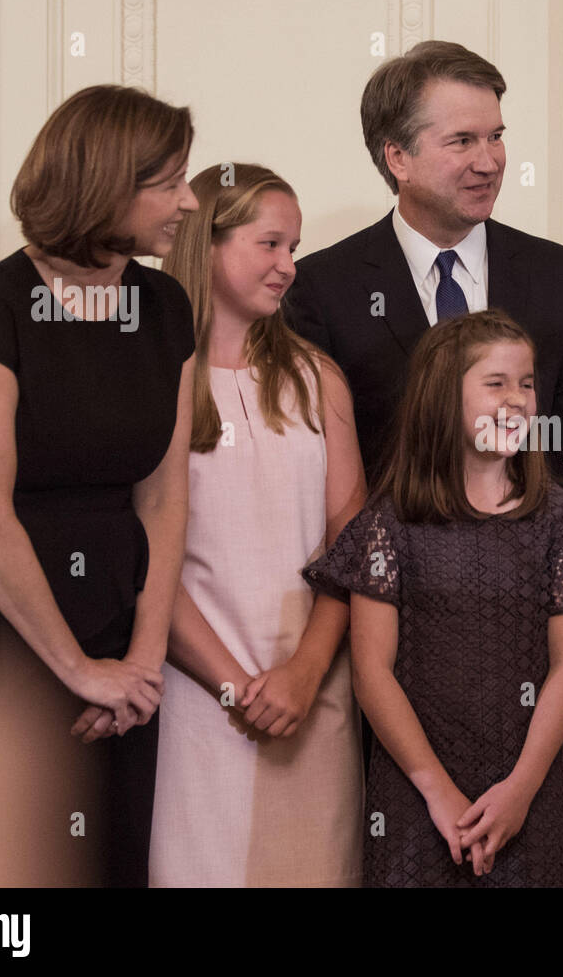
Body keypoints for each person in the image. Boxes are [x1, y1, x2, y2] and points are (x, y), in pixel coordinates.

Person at [285, 40, 563, 829]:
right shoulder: (322, 289)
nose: (489, 159)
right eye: (462, 140)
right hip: (389, 649)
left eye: (497, 136)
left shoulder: (555, 274)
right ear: (396, 155)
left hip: (535, 636)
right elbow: (317, 474)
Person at [0, 84, 197, 886]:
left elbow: (163, 496)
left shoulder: (165, 305)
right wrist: (79, 669)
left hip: (114, 621)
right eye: (169, 182)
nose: (190, 202)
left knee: (106, 857)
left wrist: (141, 662)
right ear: (104, 183)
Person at [303, 310, 563, 887]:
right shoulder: (390, 522)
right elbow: (372, 672)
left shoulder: (558, 516)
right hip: (415, 787)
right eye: (495, 383)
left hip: (530, 786)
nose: (518, 399)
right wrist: (438, 793)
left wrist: (521, 790)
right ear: (443, 397)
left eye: (526, 383)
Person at [149, 163, 366, 886]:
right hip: (193, 697)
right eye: (270, 244)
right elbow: (150, 555)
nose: (289, 266)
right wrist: (232, 685)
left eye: (294, 247)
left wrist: (304, 672)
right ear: (206, 245)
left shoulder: (318, 378)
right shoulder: (152, 382)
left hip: (313, 689)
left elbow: (353, 541)